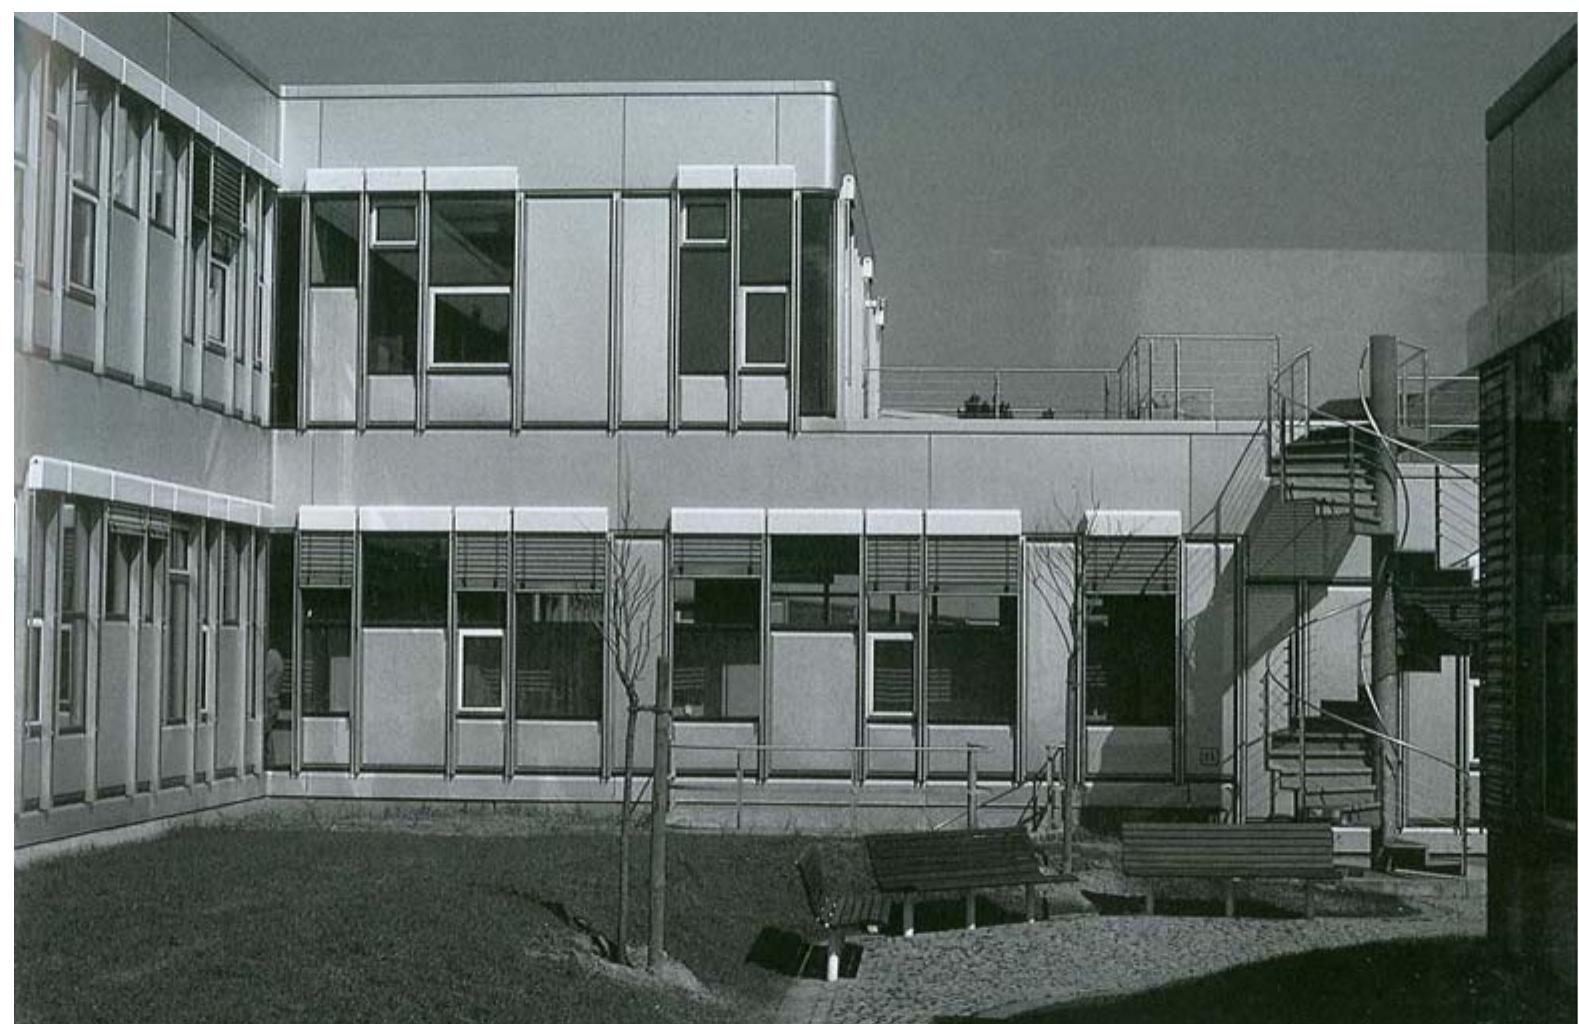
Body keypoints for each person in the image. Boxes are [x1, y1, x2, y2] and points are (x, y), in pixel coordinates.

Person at [262, 648, 285, 767]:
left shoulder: (272, 656)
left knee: (264, 738)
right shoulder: (275, 656)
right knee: (266, 739)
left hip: (268, 701)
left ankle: (268, 764)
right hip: (271, 701)